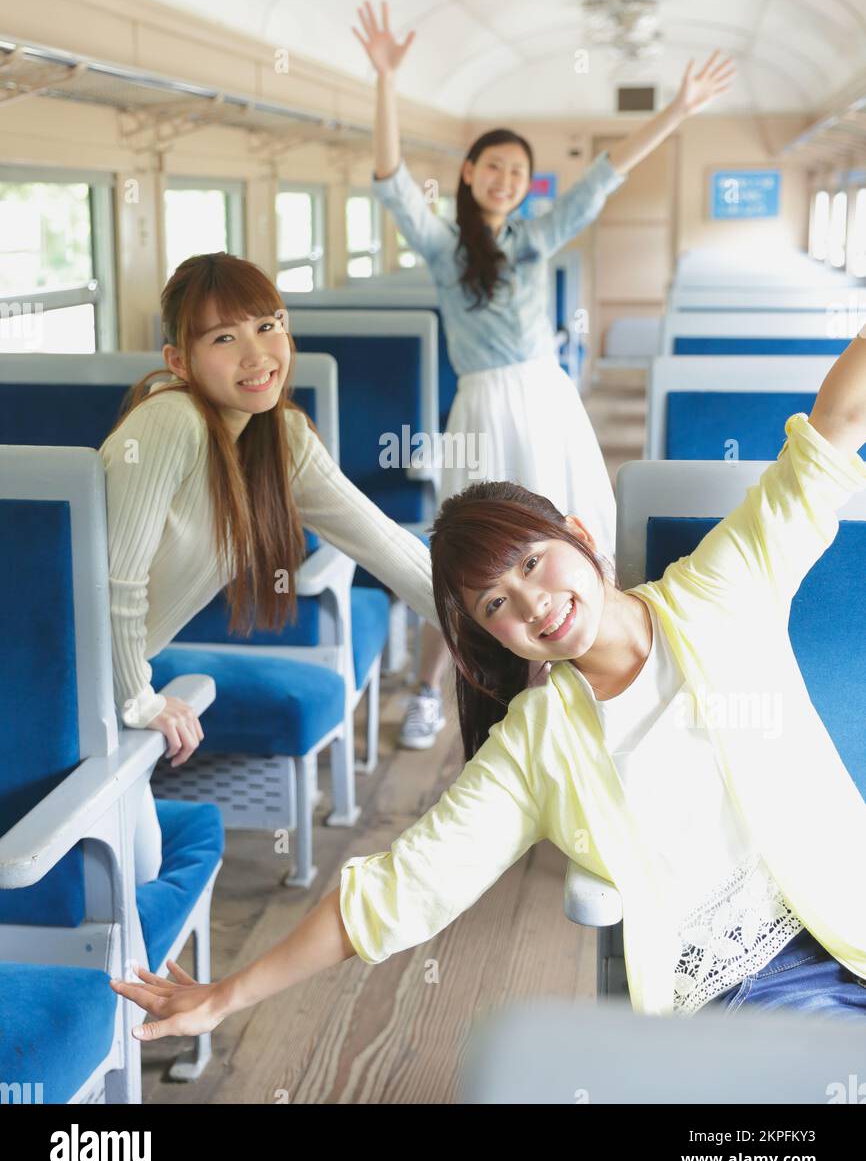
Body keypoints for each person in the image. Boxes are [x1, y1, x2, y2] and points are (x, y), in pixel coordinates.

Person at [110, 329, 866, 1039]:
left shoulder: (722, 590)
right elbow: (398, 888)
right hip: (757, 996)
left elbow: (833, 428)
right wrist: (224, 995)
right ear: (492, 636)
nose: (535, 604)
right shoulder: (537, 743)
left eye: (534, 562)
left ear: (580, 534)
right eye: (497, 604)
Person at [353, 0, 734, 750]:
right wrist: (386, 81)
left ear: (526, 185)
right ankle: (438, 690)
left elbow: (605, 175)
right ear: (468, 174)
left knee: (566, 542)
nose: (504, 178)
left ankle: (593, 691)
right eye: (492, 166)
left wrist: (679, 110)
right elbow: (391, 178)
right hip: (484, 404)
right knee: (473, 559)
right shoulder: (444, 249)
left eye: (517, 171)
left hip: (545, 396)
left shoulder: (534, 241)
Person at [100, 252, 438, 885]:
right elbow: (115, 583)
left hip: (93, 687)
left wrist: (493, 623)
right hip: (52, 681)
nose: (256, 354)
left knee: (134, 873)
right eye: (224, 337)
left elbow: (387, 546)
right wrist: (136, 698)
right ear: (180, 361)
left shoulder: (280, 438)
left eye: (268, 325)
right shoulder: (170, 420)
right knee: (128, 875)